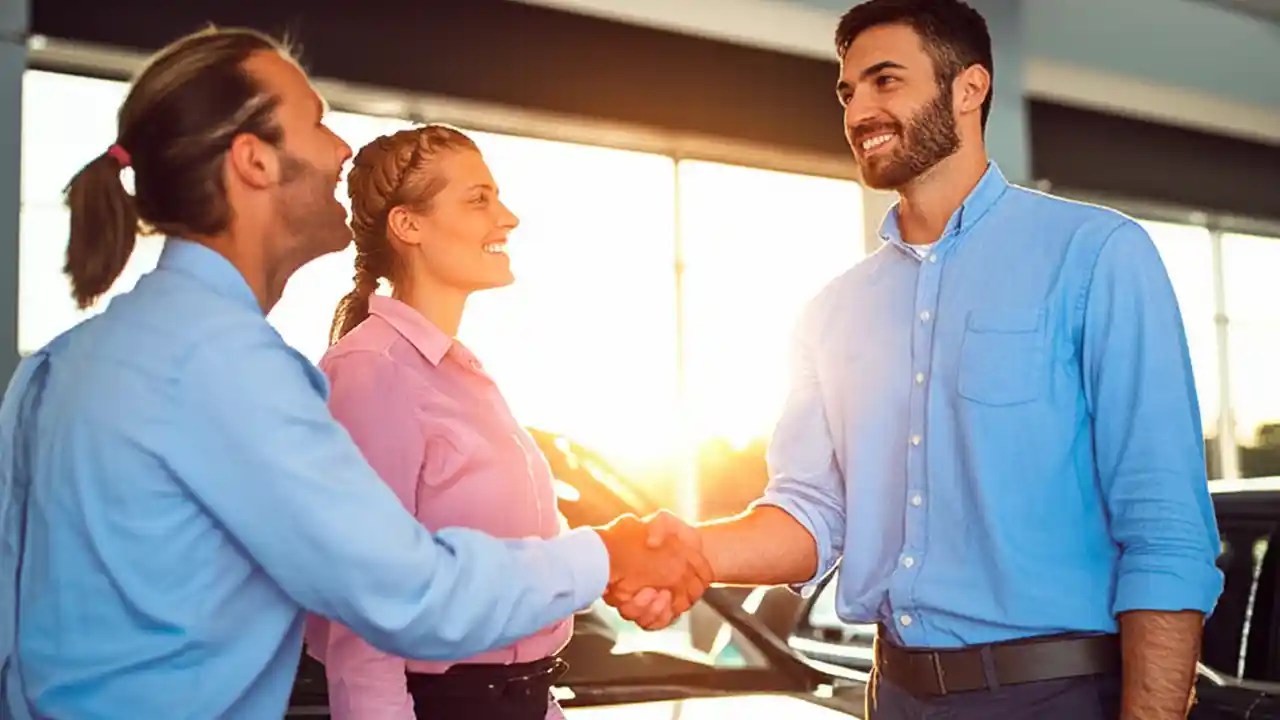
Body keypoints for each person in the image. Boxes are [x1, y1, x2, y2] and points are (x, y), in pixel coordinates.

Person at [0, 27, 709, 719]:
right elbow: (404, 593)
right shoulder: (234, 370)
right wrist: (606, 553)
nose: (342, 148)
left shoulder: (59, 367)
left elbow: (12, 631)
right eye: (315, 121)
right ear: (254, 162)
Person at [608, 1, 1224, 718]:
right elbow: (810, 514)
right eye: (847, 91)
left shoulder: (1095, 257)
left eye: (885, 81)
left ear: (969, 89)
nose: (858, 110)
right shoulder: (833, 311)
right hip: (894, 693)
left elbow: (1164, 526)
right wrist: (690, 551)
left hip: (1055, 694)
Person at [302, 124, 595, 720]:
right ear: (408, 225)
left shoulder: (462, 376)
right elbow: (364, 630)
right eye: (478, 199)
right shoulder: (370, 371)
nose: (506, 217)